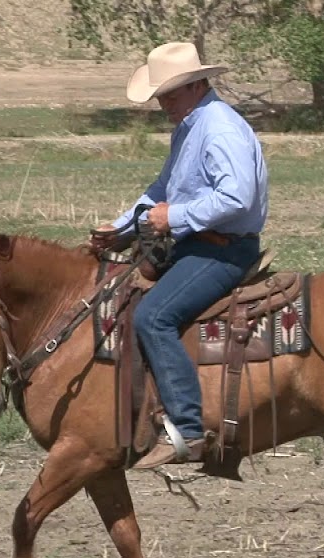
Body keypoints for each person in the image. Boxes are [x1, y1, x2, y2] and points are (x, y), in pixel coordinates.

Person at [89, 41, 269, 469]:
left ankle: (188, 429)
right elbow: (160, 192)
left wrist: (175, 216)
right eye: (160, 96)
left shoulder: (219, 128)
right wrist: (120, 228)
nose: (163, 103)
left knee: (154, 316)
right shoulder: (191, 125)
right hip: (197, 243)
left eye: (170, 93)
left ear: (197, 85)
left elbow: (237, 197)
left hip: (223, 250)